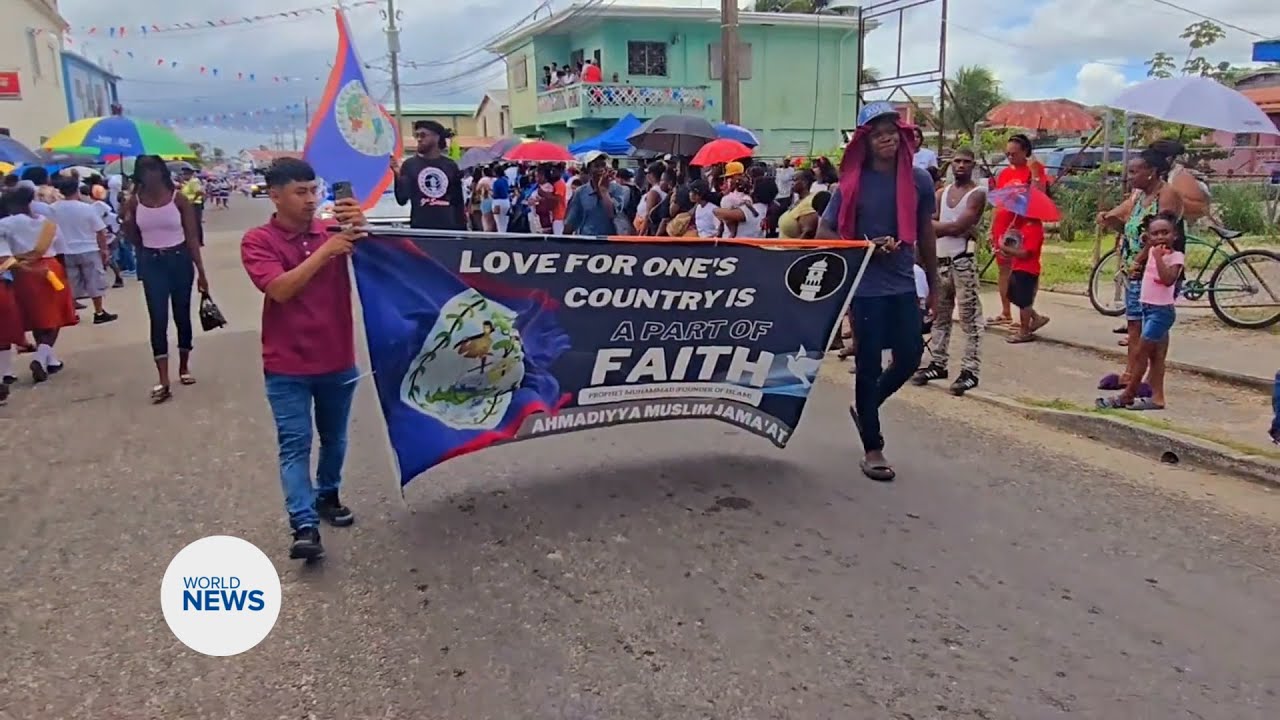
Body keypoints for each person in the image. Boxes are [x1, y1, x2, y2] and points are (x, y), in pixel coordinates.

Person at [240, 158, 368, 561]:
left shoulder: (337, 231)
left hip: (337, 356)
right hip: (287, 364)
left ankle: (327, 494)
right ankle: (304, 524)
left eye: (314, 190)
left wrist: (361, 227)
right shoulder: (257, 241)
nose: (311, 200)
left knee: (335, 438)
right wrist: (327, 251)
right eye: (300, 192)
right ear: (275, 195)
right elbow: (279, 289)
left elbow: (382, 255)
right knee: (295, 444)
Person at [817, 101, 938, 482]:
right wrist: (867, 246)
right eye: (878, 132)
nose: (887, 137)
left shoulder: (919, 180)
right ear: (865, 141)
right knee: (868, 363)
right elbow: (825, 233)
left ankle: (866, 405)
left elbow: (925, 233)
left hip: (902, 281)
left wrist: (934, 283)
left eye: (892, 129)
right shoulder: (851, 185)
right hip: (865, 285)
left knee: (909, 356)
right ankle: (873, 446)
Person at [120, 155, 210, 403]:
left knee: (182, 313)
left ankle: (184, 366)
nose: (150, 176)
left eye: (154, 170)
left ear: (162, 172)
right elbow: (132, 237)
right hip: (152, 262)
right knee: (157, 317)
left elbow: (192, 237)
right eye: (145, 172)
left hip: (180, 259)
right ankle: (163, 377)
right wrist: (127, 220)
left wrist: (201, 273)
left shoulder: (178, 199)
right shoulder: (134, 203)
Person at [1096, 144, 1183, 391]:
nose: (1130, 176)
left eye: (1135, 172)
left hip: (1156, 270)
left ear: (1152, 171)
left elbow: (1159, 234)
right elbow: (1123, 222)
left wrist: (1141, 259)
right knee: (1134, 324)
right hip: (1134, 271)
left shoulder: (1166, 195)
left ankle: (1150, 381)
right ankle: (1130, 373)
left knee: (1153, 329)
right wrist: (1107, 218)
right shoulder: (1137, 196)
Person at [912, 147, 986, 394]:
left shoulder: (977, 194)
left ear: (973, 164)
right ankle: (939, 362)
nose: (961, 166)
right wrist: (945, 227)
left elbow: (958, 226)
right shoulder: (942, 193)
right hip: (941, 259)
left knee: (970, 318)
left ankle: (970, 370)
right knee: (940, 315)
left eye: (966, 161)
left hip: (963, 260)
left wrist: (938, 227)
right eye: (957, 161)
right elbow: (927, 224)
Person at [1097, 212, 1184, 411]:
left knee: (1141, 353)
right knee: (1155, 357)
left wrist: (1157, 257)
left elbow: (1168, 279)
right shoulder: (1153, 253)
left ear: (1175, 235)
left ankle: (1127, 395)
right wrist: (1143, 263)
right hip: (1148, 309)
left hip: (1161, 313)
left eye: (1165, 233)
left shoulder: (1175, 257)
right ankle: (1157, 397)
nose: (1160, 237)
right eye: (1155, 234)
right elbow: (1144, 269)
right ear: (1148, 237)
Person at [0, 185, 75, 383]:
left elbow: (4, 257)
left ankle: (48, 360)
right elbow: (61, 251)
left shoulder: (5, 224)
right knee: (54, 317)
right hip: (51, 269)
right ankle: (42, 357)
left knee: (37, 317)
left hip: (21, 271)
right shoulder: (48, 224)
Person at [988, 134, 1048, 326]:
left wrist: (1034, 173)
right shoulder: (1005, 173)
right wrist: (992, 225)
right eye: (1008, 153)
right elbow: (999, 200)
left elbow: (1040, 195)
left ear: (1025, 152)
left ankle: (1026, 311)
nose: (1010, 157)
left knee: (1023, 271)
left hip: (1024, 225)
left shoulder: (1034, 170)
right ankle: (1006, 311)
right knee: (1004, 268)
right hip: (1004, 222)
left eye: (1014, 153)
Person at [50, 177, 117, 325]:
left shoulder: (53, 209)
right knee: (94, 281)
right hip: (89, 248)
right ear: (77, 190)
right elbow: (100, 230)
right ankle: (99, 312)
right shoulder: (87, 208)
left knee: (70, 283)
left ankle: (72, 314)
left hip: (64, 251)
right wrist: (104, 249)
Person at [393, 120, 466, 231]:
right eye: (416, 136)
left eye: (423, 135)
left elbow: (458, 202)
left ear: (436, 137)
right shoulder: (410, 165)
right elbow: (402, 199)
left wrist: (463, 233)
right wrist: (397, 174)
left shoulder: (450, 165)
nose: (419, 139)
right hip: (421, 229)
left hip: (449, 230)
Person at [564, 164, 624, 236]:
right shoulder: (581, 192)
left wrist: (603, 191)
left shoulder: (617, 189)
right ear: (589, 170)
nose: (601, 169)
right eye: (597, 166)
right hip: (586, 240)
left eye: (603, 165)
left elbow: (612, 214)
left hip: (609, 241)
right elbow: (571, 220)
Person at [777, 169, 820, 239]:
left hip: (793, 249)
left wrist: (796, 248)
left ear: (805, 182)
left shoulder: (809, 202)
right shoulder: (798, 201)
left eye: (795, 180)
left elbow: (808, 233)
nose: (792, 183)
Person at [179, 168, 205, 246]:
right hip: (189, 204)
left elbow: (199, 192)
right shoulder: (188, 183)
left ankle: (198, 241)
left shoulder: (194, 181)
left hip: (194, 204)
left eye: (185, 174)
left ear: (189, 174)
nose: (183, 175)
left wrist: (192, 200)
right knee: (191, 222)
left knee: (196, 222)